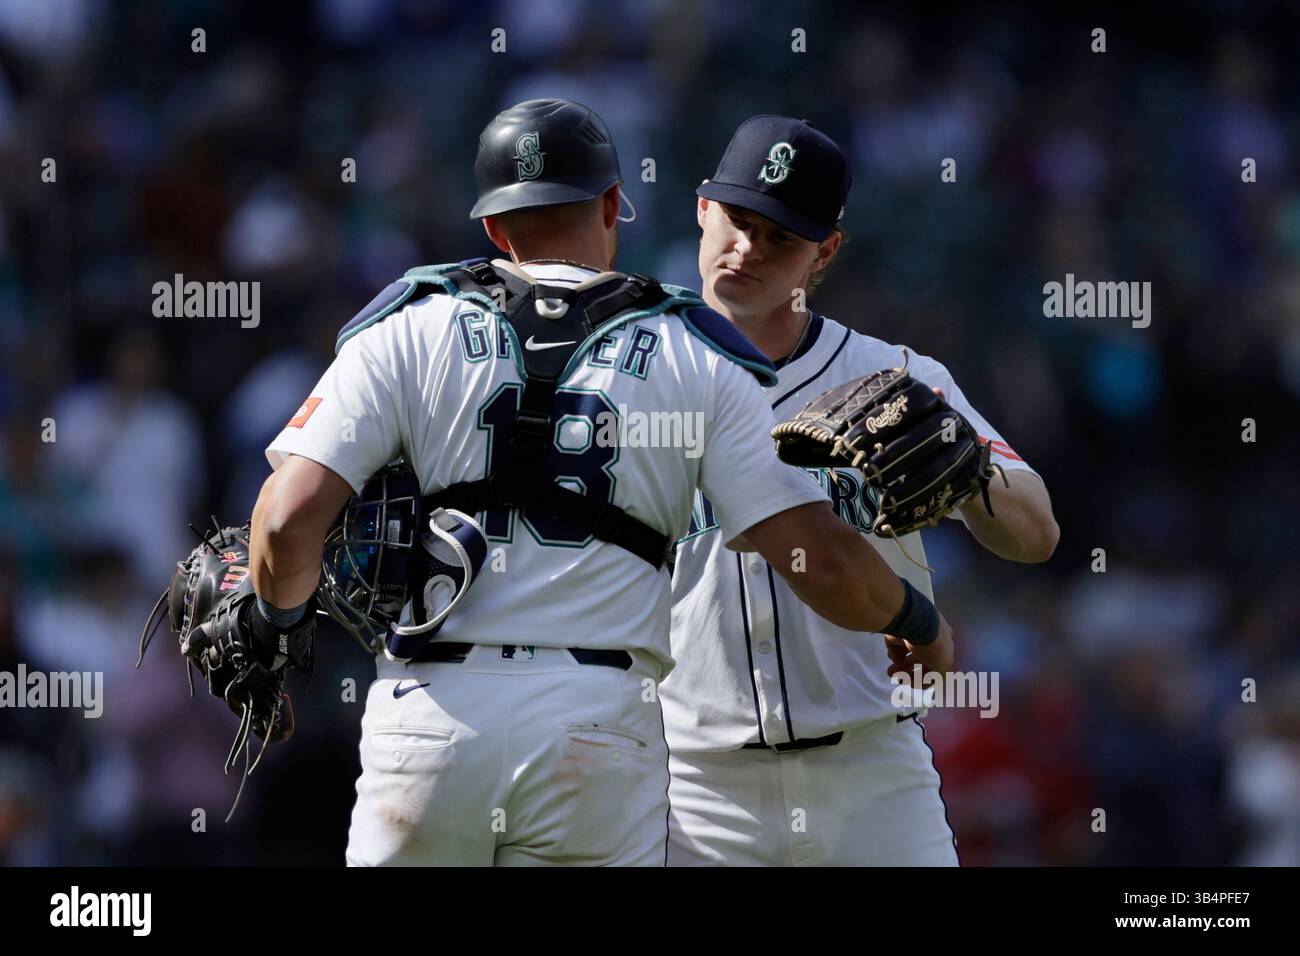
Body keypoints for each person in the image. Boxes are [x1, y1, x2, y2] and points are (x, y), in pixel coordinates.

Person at [243, 99, 954, 866]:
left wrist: (274, 632)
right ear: (614, 204)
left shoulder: (405, 327)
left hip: (429, 720)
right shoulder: (695, 352)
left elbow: (286, 524)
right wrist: (918, 622)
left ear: (491, 225)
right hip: (596, 731)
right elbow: (815, 553)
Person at [661, 115, 1060, 866]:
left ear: (826, 252)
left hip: (871, 773)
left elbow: (1037, 535)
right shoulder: (630, 378)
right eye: (738, 221)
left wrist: (969, 472)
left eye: (780, 237)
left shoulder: (896, 375)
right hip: (692, 788)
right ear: (702, 209)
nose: (749, 250)